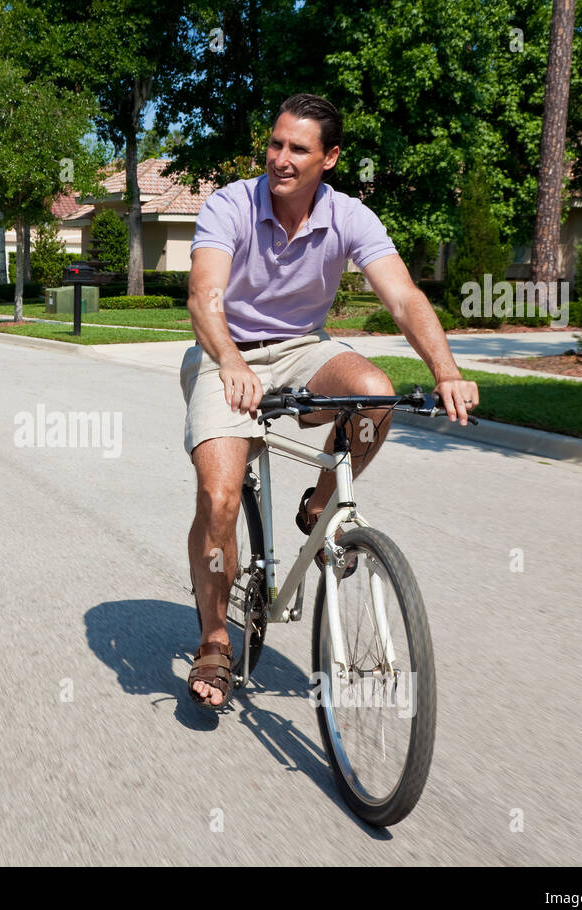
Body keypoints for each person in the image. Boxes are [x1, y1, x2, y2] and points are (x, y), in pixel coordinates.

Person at [183, 94, 480, 708]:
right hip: (225, 351)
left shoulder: (351, 216)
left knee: (375, 393)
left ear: (330, 157)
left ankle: (319, 509)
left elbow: (402, 297)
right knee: (219, 496)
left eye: (298, 149)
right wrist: (232, 362)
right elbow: (204, 297)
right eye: (275, 144)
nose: (281, 159)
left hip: (302, 349)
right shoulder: (230, 204)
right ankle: (215, 639)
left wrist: (445, 370)